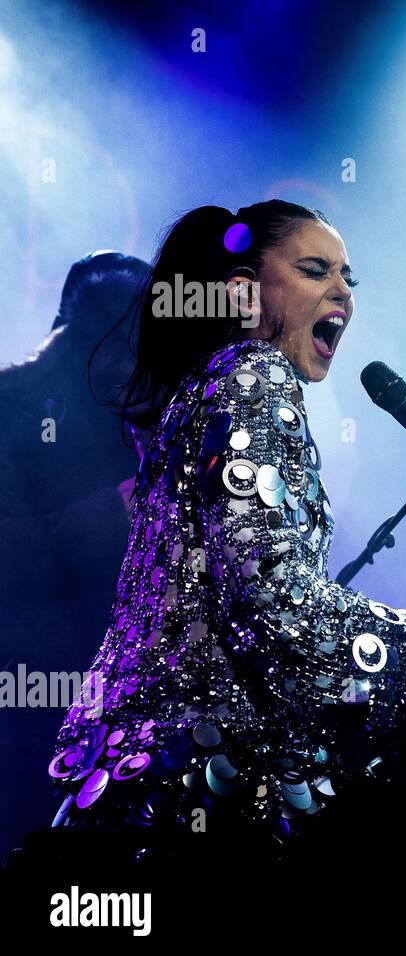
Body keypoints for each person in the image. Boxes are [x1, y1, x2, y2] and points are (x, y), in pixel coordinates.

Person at [32, 202, 406, 866]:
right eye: (314, 270)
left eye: (349, 278)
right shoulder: (256, 377)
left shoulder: (197, 391)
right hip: (200, 792)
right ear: (242, 291)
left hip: (133, 784)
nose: (343, 293)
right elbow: (270, 601)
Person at [0, 251, 150, 862]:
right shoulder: (9, 407)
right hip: (21, 708)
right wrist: (113, 511)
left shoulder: (135, 424)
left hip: (109, 715)